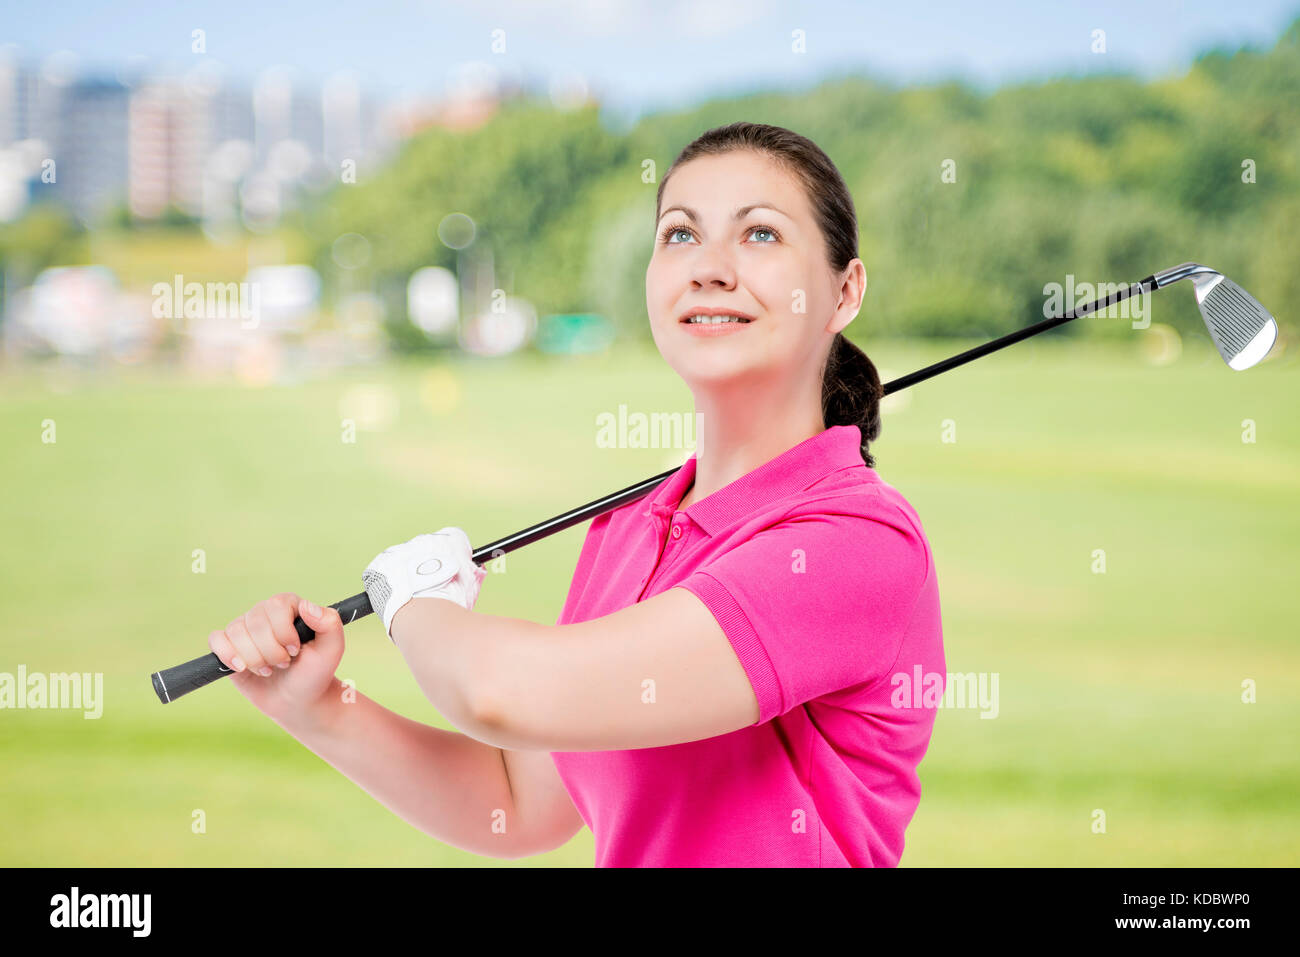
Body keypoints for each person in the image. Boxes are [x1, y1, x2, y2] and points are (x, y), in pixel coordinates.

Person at [209, 121, 945, 867]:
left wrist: (413, 601)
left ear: (844, 291)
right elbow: (518, 800)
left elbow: (502, 692)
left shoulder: (856, 542)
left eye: (759, 234)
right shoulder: (629, 527)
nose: (710, 267)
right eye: (680, 235)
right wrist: (319, 705)